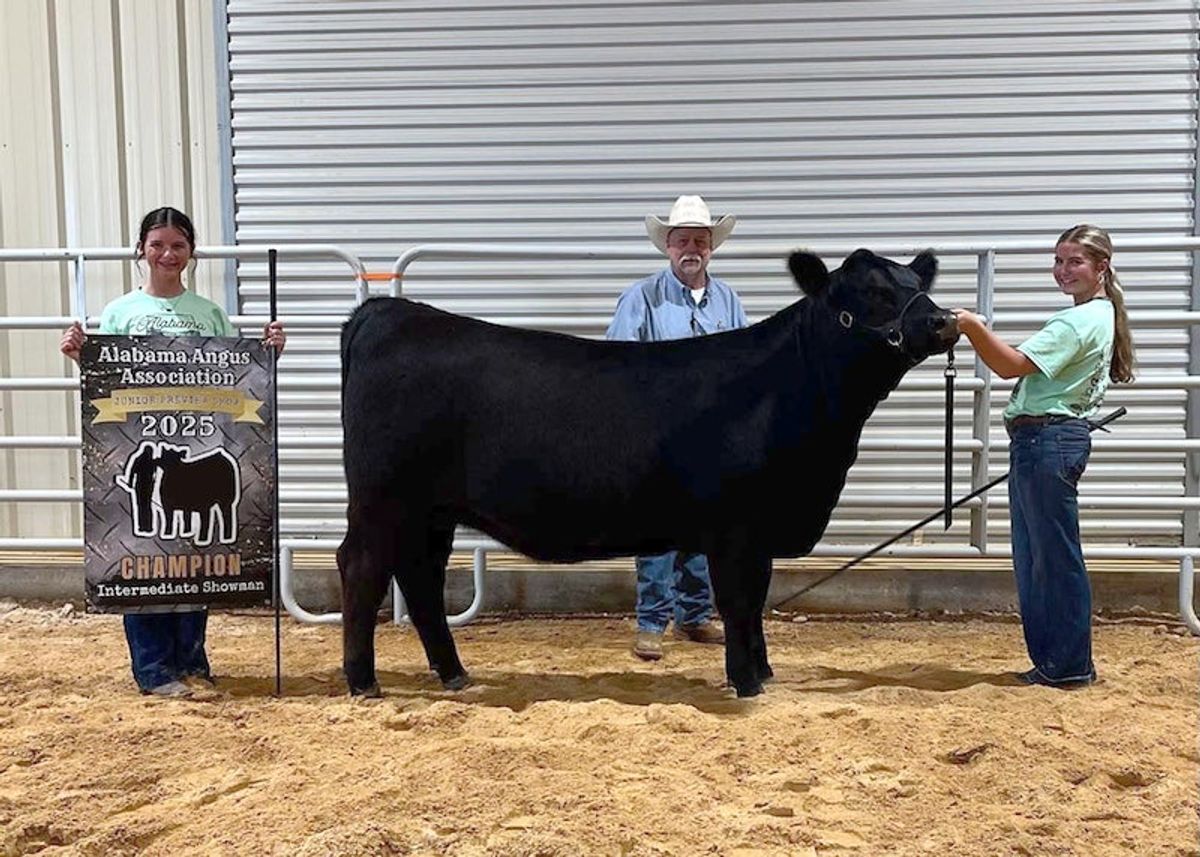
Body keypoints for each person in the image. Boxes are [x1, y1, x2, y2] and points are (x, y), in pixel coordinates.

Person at [60, 206, 287, 697]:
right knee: (142, 553)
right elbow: (108, 379)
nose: (167, 254)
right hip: (142, 448)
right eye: (158, 244)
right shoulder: (121, 312)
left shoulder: (209, 313)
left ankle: (192, 661)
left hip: (198, 446)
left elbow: (235, 374)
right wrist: (83, 353)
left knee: (196, 556)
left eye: (178, 246)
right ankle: (153, 669)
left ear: (191, 253)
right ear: (141, 249)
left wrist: (268, 353)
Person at [953, 224, 1135, 688]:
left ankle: (1068, 664)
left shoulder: (1075, 321)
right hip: (1049, 440)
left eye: (1075, 261)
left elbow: (1012, 364)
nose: (1063, 270)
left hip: (1046, 441)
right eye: (1059, 260)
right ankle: (1058, 662)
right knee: (1046, 556)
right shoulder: (1099, 316)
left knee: (1049, 559)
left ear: (1101, 268)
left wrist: (973, 327)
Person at [606, 195, 748, 661]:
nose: (692, 249)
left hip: (712, 435)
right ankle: (652, 621)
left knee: (705, 531)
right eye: (683, 240)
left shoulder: (729, 300)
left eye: (700, 241)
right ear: (668, 246)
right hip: (657, 435)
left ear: (712, 247)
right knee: (657, 529)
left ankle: (694, 616)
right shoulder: (640, 297)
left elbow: (743, 364)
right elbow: (618, 364)